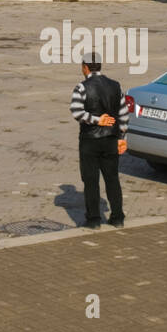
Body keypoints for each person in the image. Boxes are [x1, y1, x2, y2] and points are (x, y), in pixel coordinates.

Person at [69, 56, 129, 229]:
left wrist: (96, 120)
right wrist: (122, 138)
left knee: (91, 181)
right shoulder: (116, 86)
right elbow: (124, 115)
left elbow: (76, 112)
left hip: (90, 141)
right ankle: (117, 217)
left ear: (85, 67)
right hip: (111, 139)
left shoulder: (82, 87)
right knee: (112, 179)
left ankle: (94, 220)